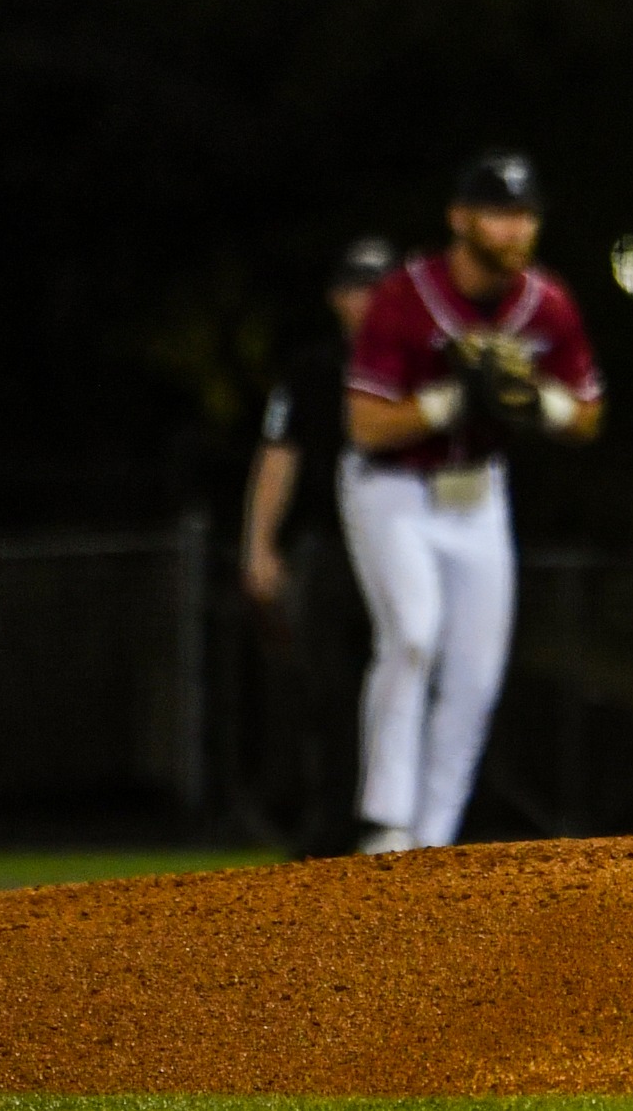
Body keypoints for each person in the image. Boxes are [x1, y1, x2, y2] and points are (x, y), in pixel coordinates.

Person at [340, 151, 603, 853]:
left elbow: (588, 414)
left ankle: (433, 842)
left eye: (523, 214)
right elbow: (364, 425)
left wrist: (538, 401)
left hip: (478, 495)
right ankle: (386, 825)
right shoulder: (405, 294)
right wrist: (452, 399)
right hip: (394, 487)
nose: (513, 228)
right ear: (459, 218)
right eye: (497, 212)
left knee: (476, 675)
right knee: (414, 633)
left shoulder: (545, 302)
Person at [240, 235, 394, 857]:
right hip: (331, 550)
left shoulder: (423, 367)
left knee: (400, 685)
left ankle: (396, 825)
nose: (370, 299)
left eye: (382, 286)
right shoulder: (311, 371)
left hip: (399, 550)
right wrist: (258, 543)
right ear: (336, 298)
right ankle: (328, 828)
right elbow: (279, 457)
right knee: (324, 691)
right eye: (358, 286)